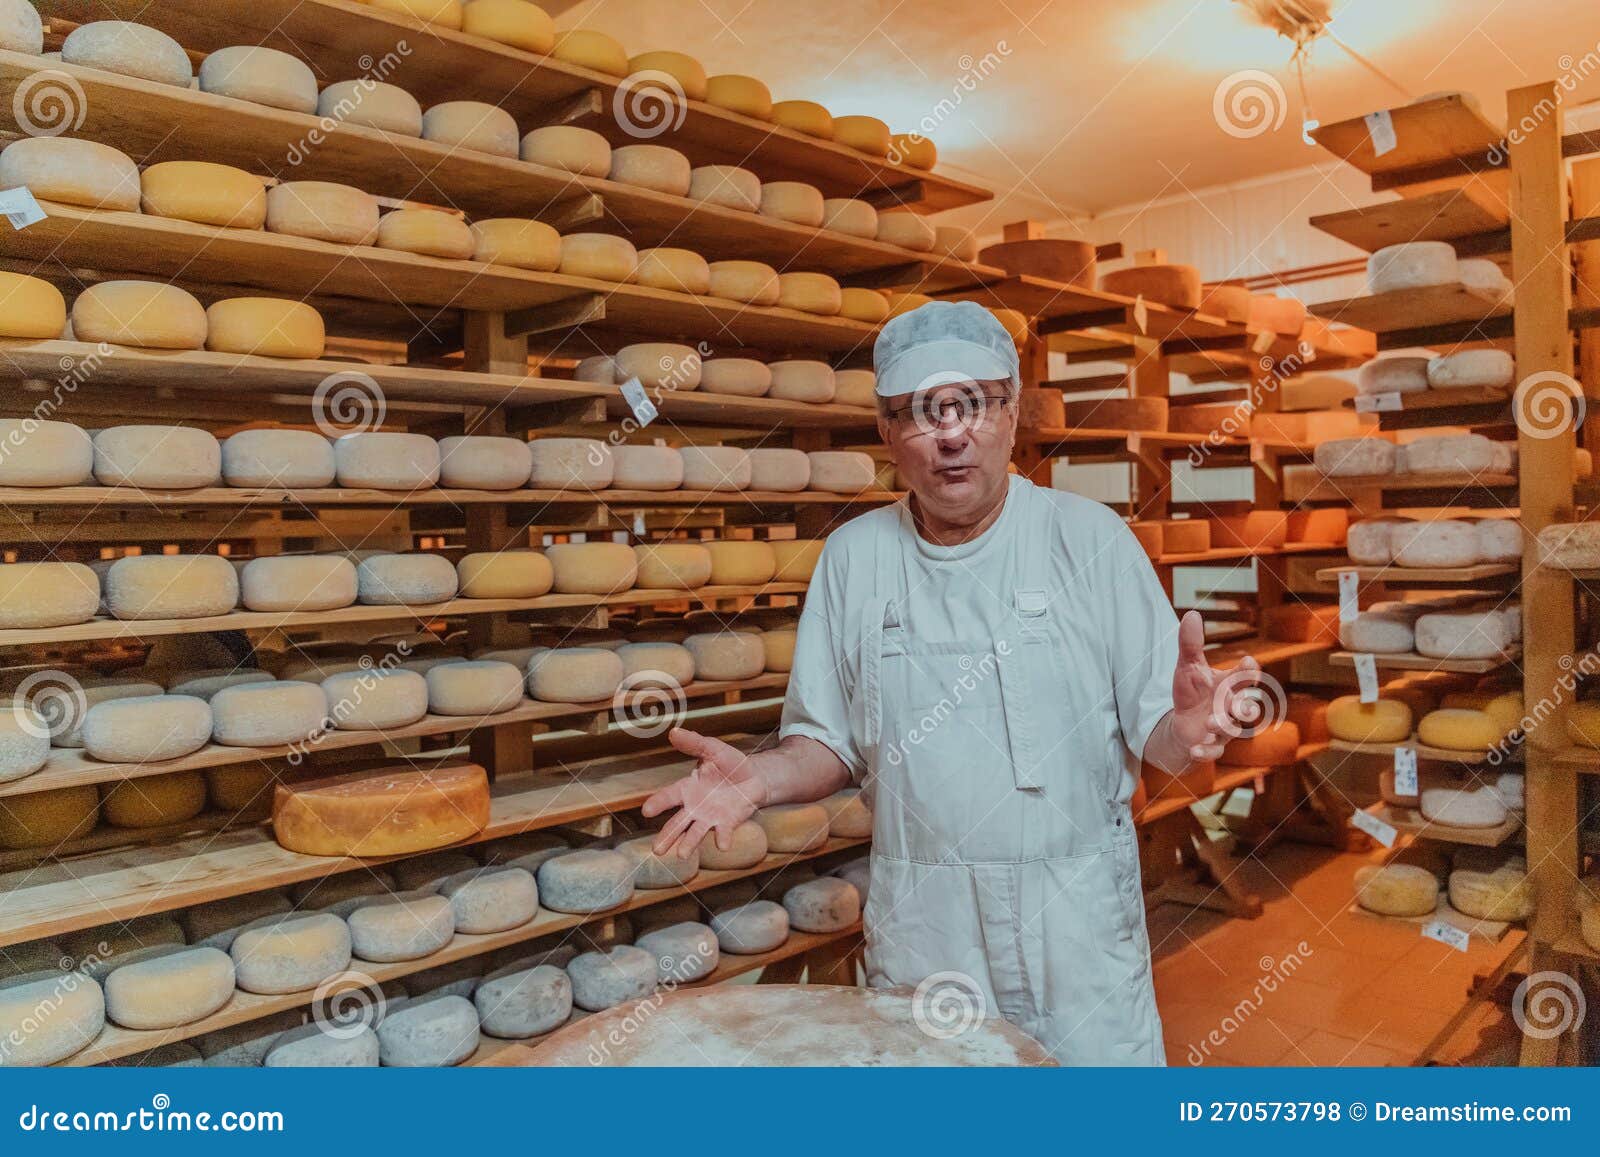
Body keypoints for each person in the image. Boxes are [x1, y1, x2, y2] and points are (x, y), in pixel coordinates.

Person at [645, 300, 1260, 1064]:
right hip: (926, 930)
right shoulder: (854, 559)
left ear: (1009, 415)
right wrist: (762, 777)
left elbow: (1162, 737)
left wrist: (1192, 726)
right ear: (885, 431)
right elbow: (828, 741)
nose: (951, 434)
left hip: (1075, 925)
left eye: (973, 403)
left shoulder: (1088, 538)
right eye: (918, 413)